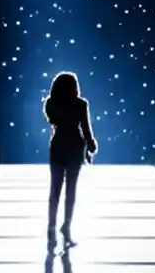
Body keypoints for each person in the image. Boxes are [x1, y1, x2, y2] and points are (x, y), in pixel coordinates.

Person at [43, 71, 98, 246]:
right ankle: (66, 227)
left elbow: (53, 121)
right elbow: (86, 128)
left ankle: (51, 228)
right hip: (75, 147)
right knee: (70, 191)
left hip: (58, 145)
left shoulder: (51, 103)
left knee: (55, 190)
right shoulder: (81, 104)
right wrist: (91, 146)